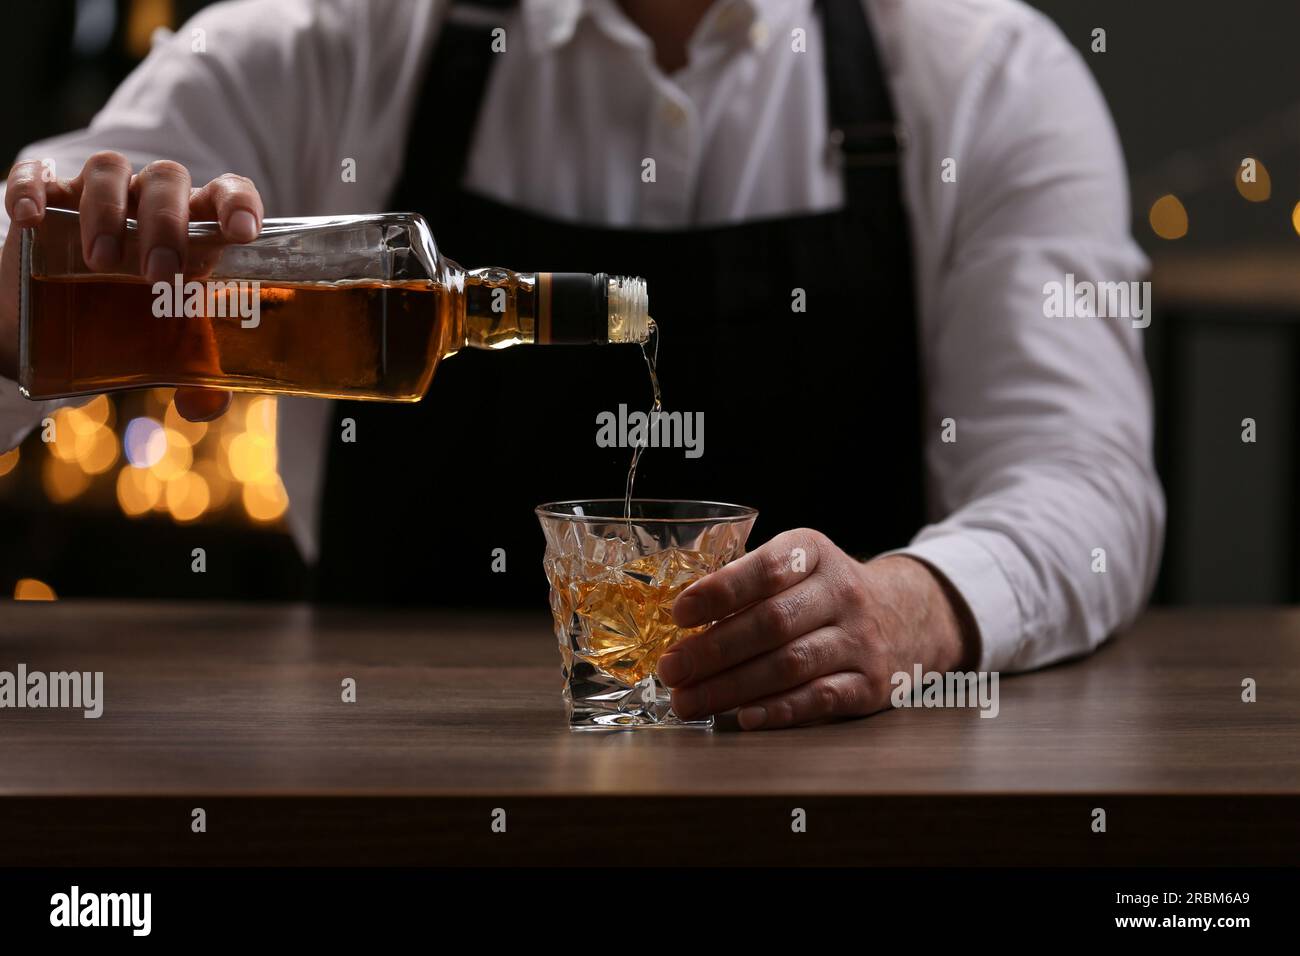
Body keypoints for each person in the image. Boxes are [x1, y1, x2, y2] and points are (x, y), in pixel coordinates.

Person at [0, 0, 1163, 730]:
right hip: (371, 806)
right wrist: (28, 312)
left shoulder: (988, 74)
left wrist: (911, 612)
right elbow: (37, 252)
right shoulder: (315, 45)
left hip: (840, 808)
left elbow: (1086, 485)